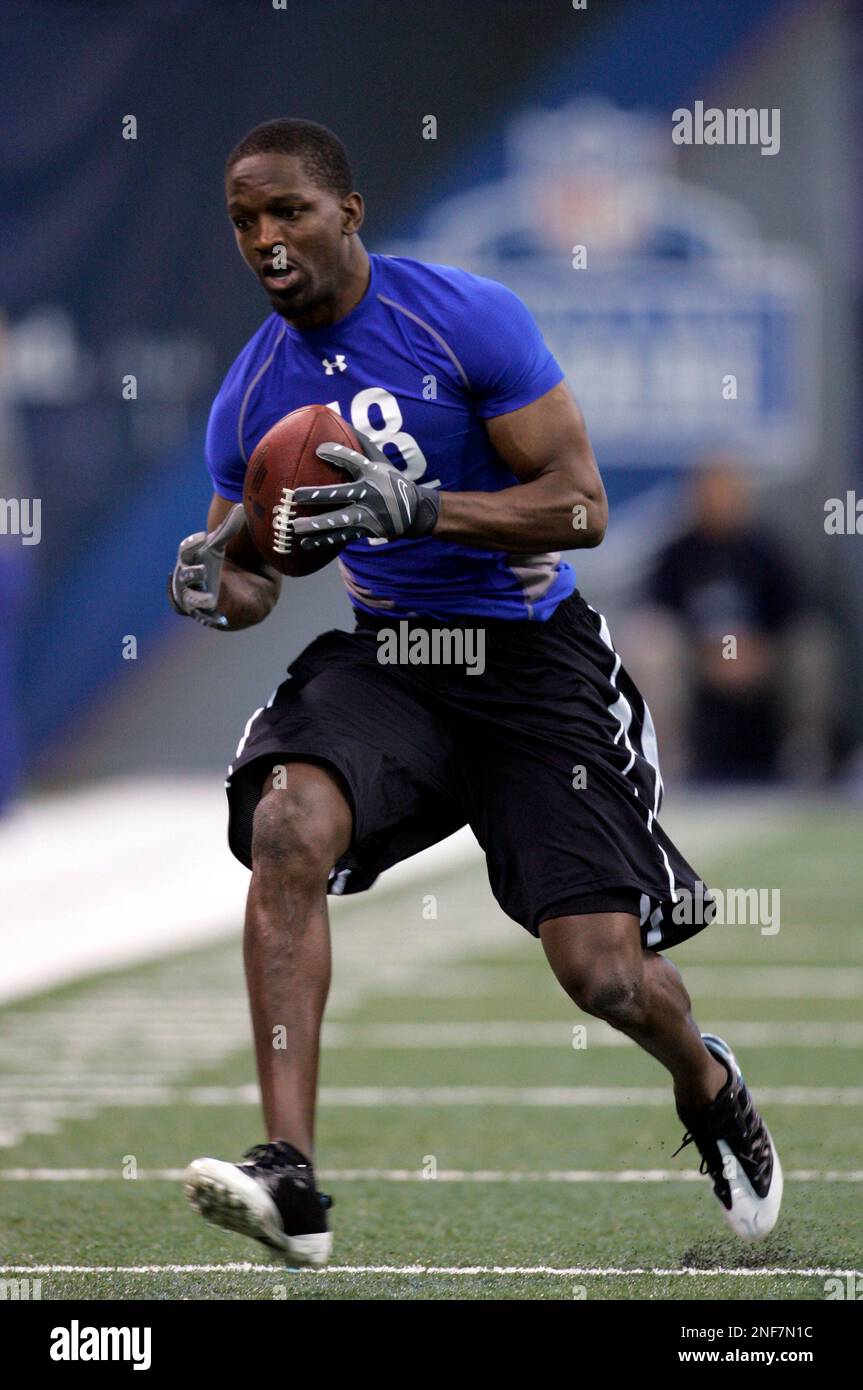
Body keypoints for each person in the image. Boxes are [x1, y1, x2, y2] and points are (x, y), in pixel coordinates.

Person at [170, 119, 782, 1266]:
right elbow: (248, 568)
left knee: (601, 972)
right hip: (395, 657)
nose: (265, 238)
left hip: (527, 658)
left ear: (347, 212)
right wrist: (212, 584)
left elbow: (581, 507)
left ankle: (705, 1084)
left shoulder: (459, 317)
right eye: (244, 220)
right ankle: (289, 1178)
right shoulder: (250, 392)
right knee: (285, 822)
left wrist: (428, 508)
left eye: (287, 210)